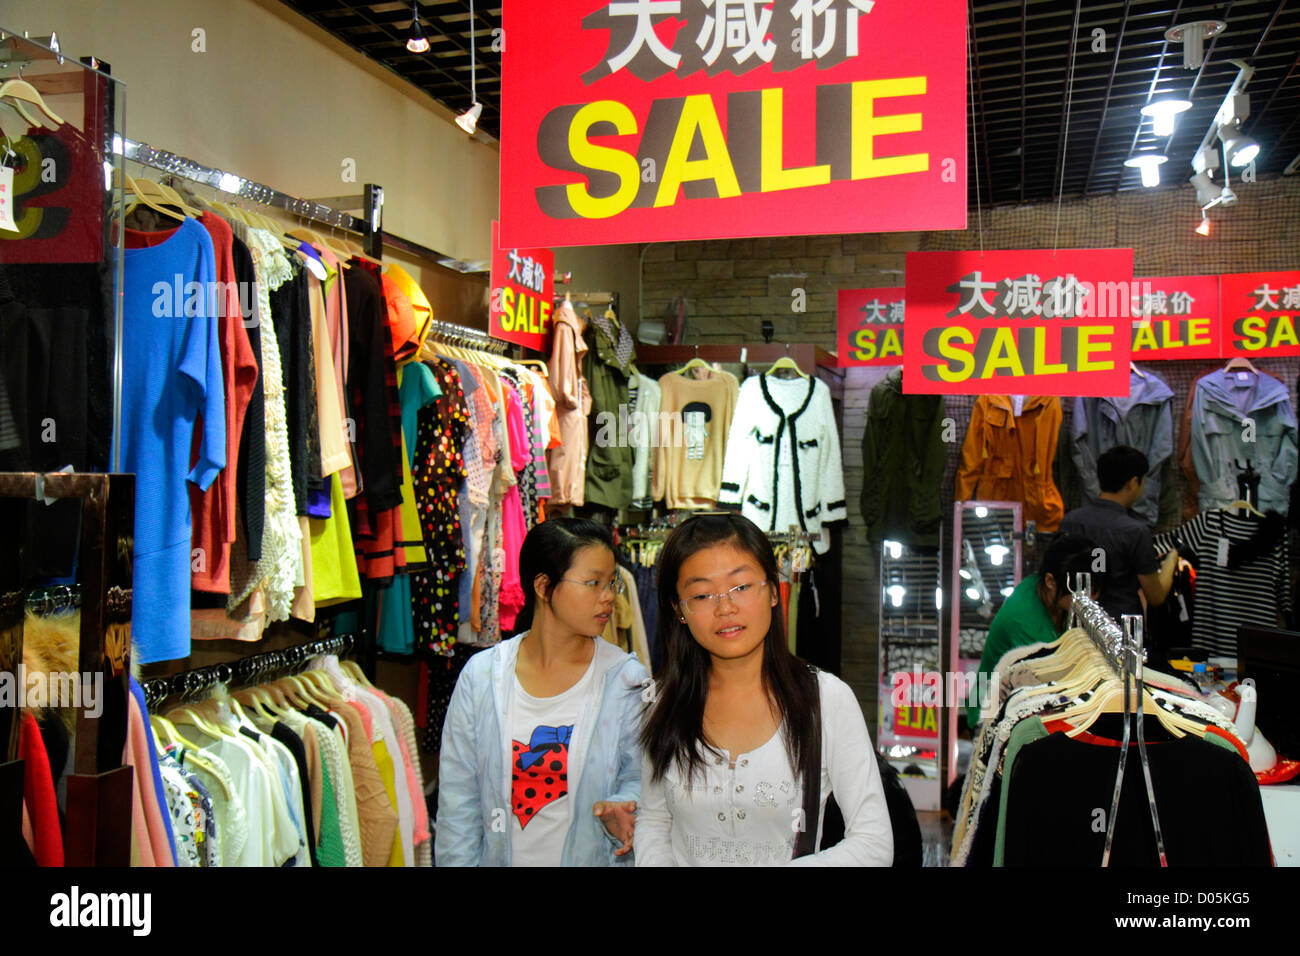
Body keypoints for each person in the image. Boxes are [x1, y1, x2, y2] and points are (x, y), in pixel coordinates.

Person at [635, 513, 893, 866]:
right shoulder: (662, 702)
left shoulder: (826, 699)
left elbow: (873, 843)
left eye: (741, 587)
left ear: (773, 591)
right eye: (701, 594)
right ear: (679, 610)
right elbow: (654, 820)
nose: (725, 607)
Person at [435, 517, 649, 866]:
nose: (608, 596)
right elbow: (459, 806)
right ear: (543, 586)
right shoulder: (482, 677)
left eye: (611, 583)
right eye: (593, 583)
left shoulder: (626, 682)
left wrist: (624, 805)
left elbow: (644, 780)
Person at [965, 533, 1100, 729]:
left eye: (1095, 590)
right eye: (1084, 591)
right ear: (1051, 581)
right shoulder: (1025, 622)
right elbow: (1052, 681)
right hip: (990, 715)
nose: (1092, 599)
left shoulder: (1039, 589)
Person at [1058, 445, 1177, 621]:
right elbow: (1156, 596)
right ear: (1133, 483)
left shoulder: (1070, 522)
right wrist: (1172, 559)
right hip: (1121, 632)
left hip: (1076, 628)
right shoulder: (1135, 532)